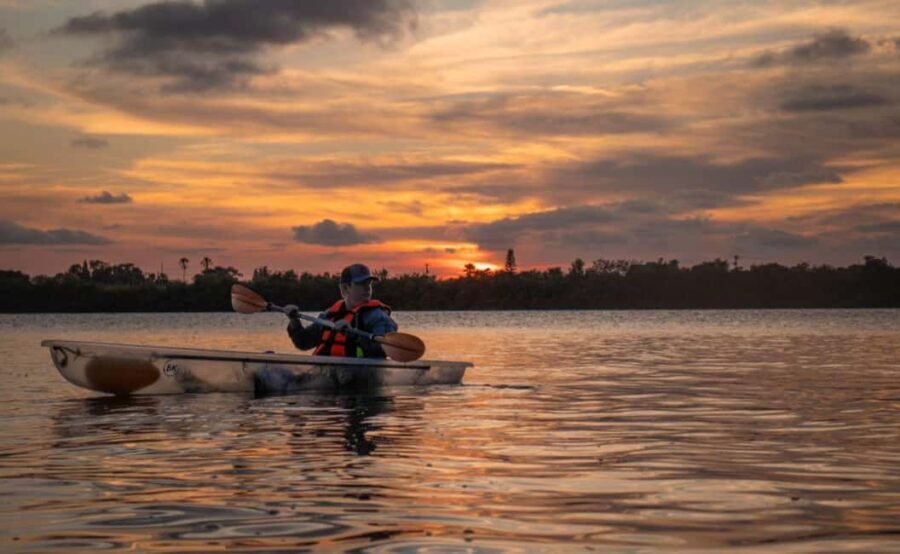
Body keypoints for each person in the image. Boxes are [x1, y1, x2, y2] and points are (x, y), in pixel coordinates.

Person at [286, 263, 398, 358]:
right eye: (360, 283)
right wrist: (294, 321)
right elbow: (303, 343)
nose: (367, 288)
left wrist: (354, 335)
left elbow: (384, 349)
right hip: (326, 374)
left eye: (369, 283)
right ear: (345, 288)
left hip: (362, 377)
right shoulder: (329, 315)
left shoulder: (379, 317)